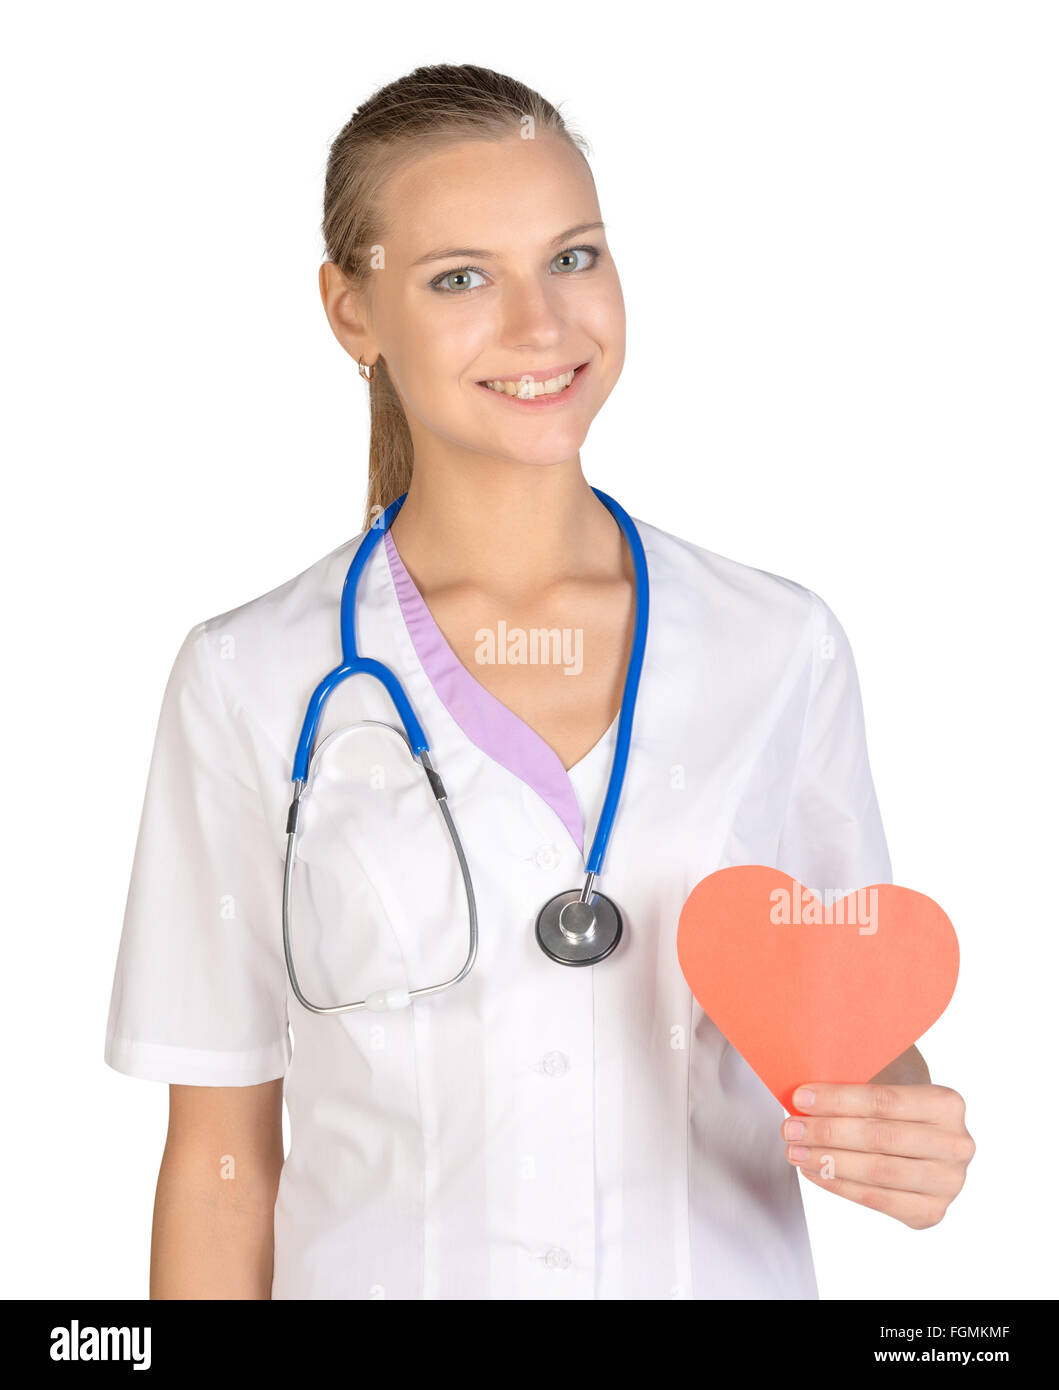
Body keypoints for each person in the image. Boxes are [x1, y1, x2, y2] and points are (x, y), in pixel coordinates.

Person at [104, 62, 974, 1301]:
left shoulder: (779, 649)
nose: (542, 326)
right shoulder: (250, 679)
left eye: (573, 258)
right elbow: (217, 1166)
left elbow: (852, 1029)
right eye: (461, 276)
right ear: (352, 313)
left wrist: (903, 1126)